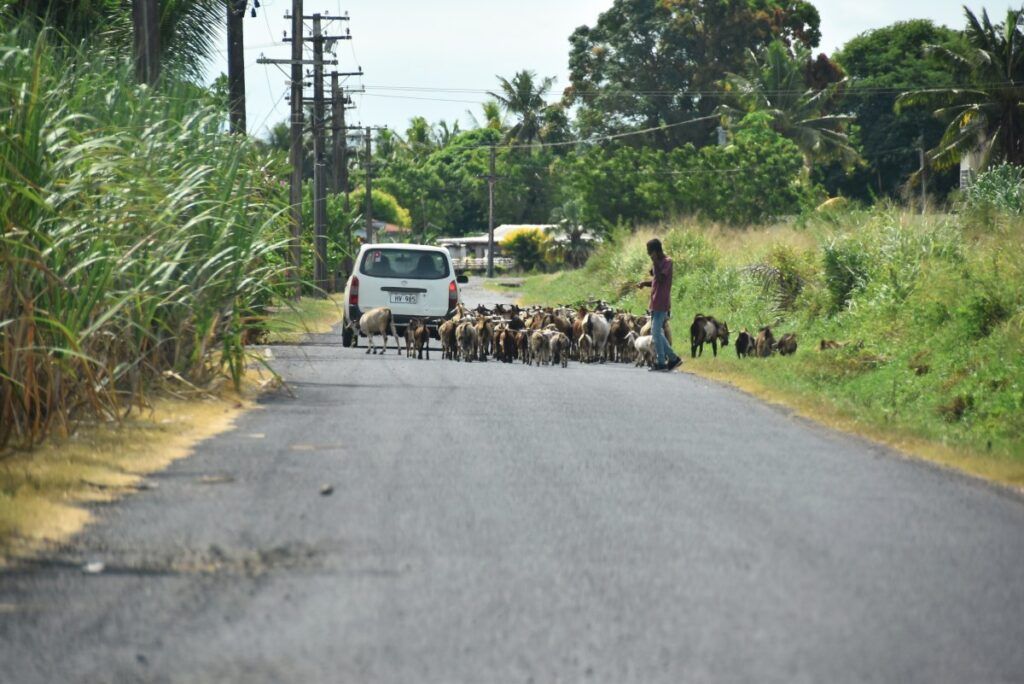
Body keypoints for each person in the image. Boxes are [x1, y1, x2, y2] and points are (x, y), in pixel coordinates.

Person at [637, 238, 682, 372]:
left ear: (655, 251)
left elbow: (662, 279)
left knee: (656, 332)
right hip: (654, 302)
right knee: (656, 332)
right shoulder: (658, 263)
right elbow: (656, 281)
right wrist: (644, 284)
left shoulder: (667, 262)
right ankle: (672, 359)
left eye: (649, 252)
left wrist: (655, 262)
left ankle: (663, 361)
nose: (648, 254)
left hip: (662, 302)